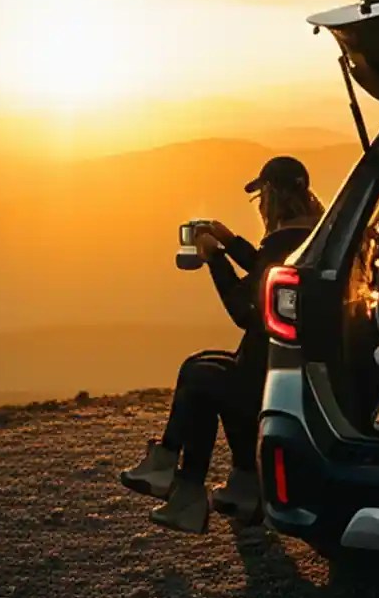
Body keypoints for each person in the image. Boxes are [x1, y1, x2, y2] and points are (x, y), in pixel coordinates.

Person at [120, 156, 323, 533]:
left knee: (199, 378)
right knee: (207, 365)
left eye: (261, 196)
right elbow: (265, 270)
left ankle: (181, 483)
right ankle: (238, 484)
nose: (260, 205)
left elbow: (245, 309)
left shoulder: (281, 242)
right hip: (293, 370)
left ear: (273, 196)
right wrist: (231, 242)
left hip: (271, 381)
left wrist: (214, 257)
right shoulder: (311, 236)